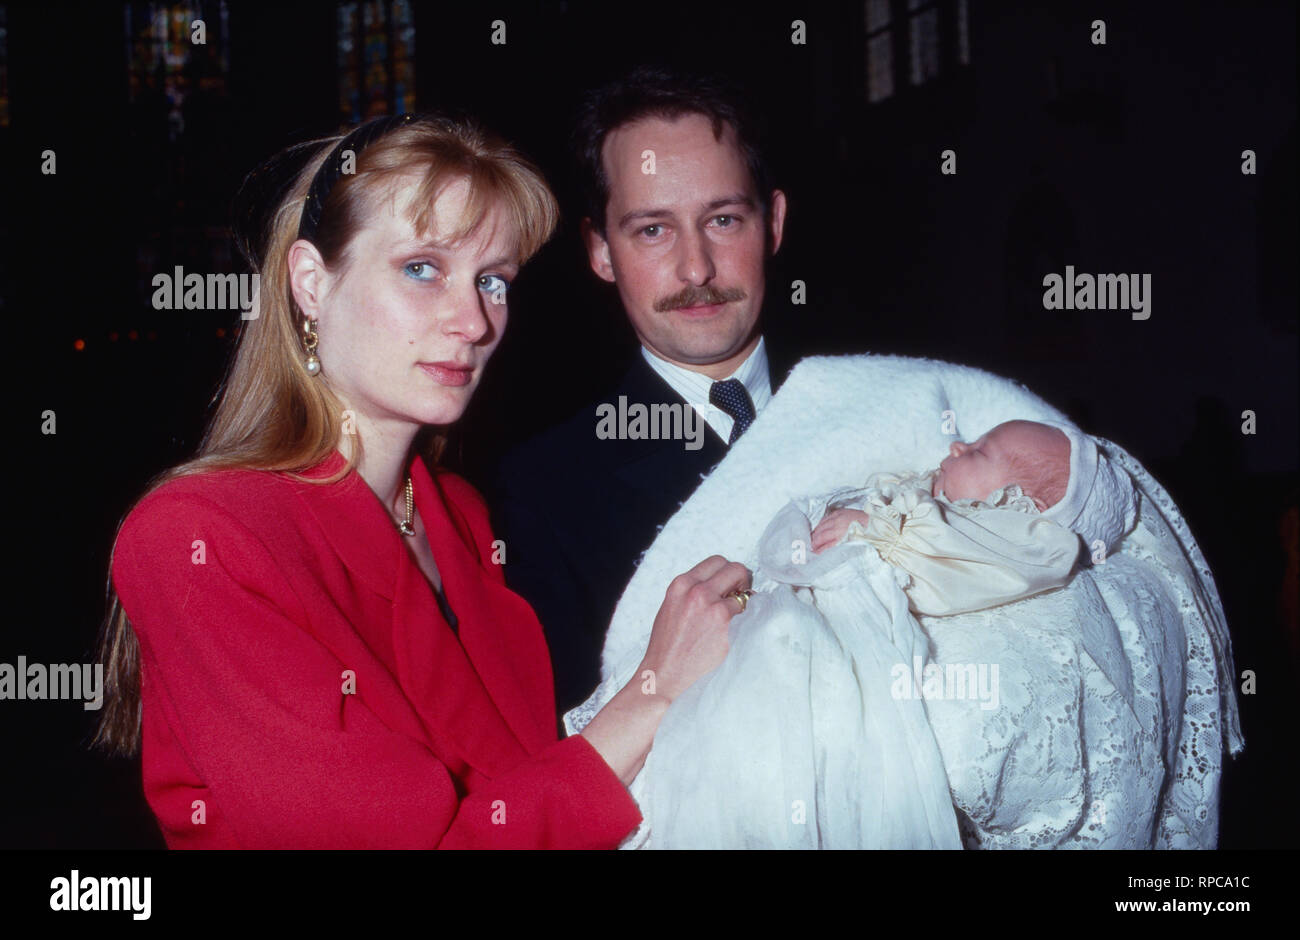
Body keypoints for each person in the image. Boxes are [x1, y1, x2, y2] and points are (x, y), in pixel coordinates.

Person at [93, 113, 752, 849]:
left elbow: (533, 784)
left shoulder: (460, 514)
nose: (473, 320)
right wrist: (652, 694)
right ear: (311, 283)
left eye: (492, 281)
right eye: (422, 268)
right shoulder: (200, 537)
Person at [640, 419, 1139, 848]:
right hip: (800, 594)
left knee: (782, 685)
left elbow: (971, 563)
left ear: (1019, 504)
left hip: (847, 621)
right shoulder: (934, 501)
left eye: (980, 451)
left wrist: (878, 530)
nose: (957, 447)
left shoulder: (1022, 543)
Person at [491, 67, 797, 719]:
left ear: (772, 222)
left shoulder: (888, 408)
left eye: (722, 219)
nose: (696, 269)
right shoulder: (539, 493)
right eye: (653, 230)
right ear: (601, 251)